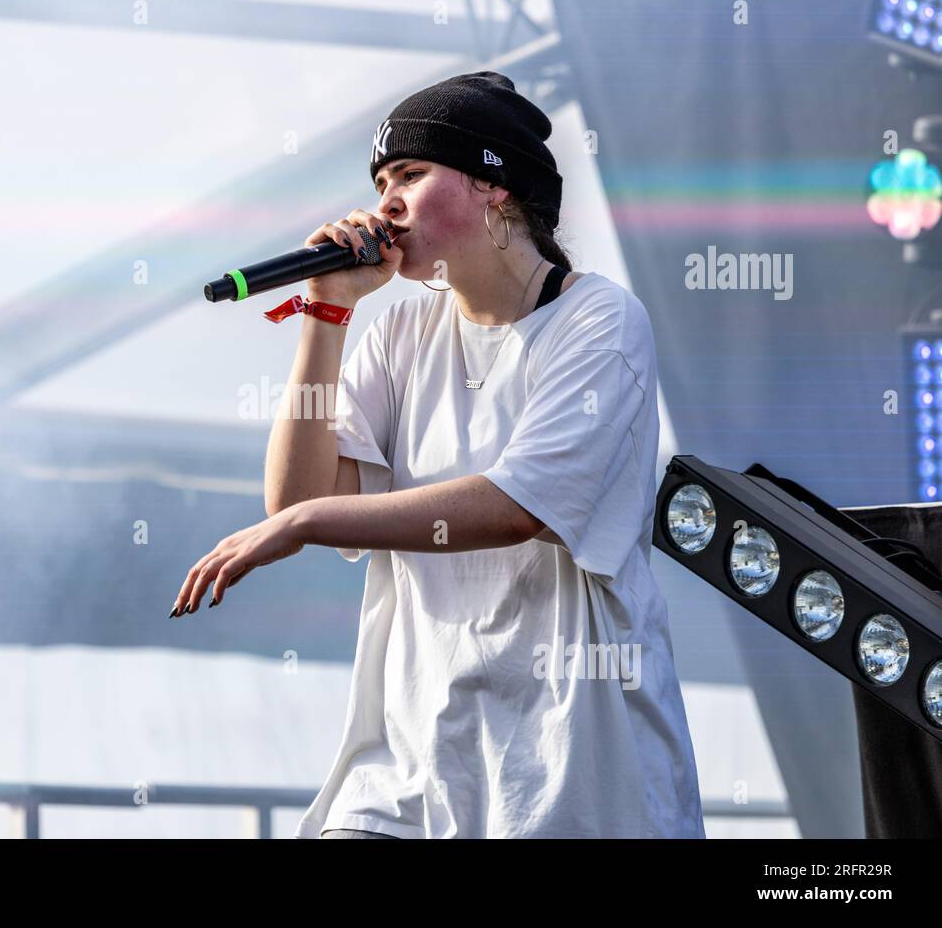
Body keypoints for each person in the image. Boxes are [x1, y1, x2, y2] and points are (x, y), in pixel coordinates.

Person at [171, 71, 705, 839]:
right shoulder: (400, 334)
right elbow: (293, 499)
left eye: (412, 175)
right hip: (405, 771)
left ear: (496, 188)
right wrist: (326, 310)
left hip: (564, 771)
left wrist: (313, 522)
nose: (385, 201)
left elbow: (517, 507)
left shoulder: (601, 323)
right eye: (380, 181)